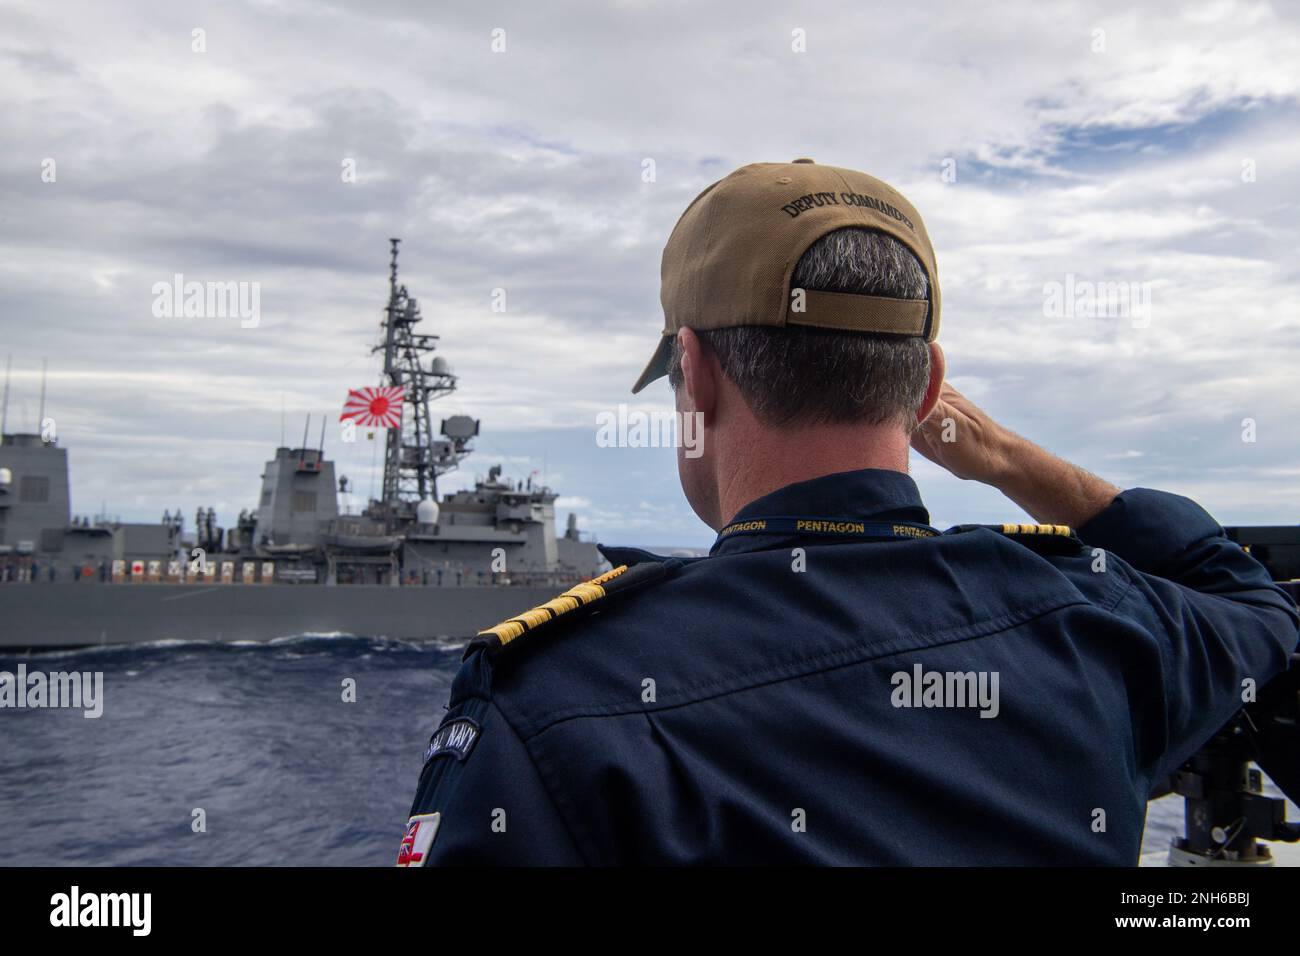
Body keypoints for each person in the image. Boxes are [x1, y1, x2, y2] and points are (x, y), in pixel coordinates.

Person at [399, 159, 1299, 866]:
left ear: (696, 370)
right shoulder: (1102, 624)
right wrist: (1011, 459)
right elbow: (1252, 602)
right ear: (931, 386)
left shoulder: (555, 713)